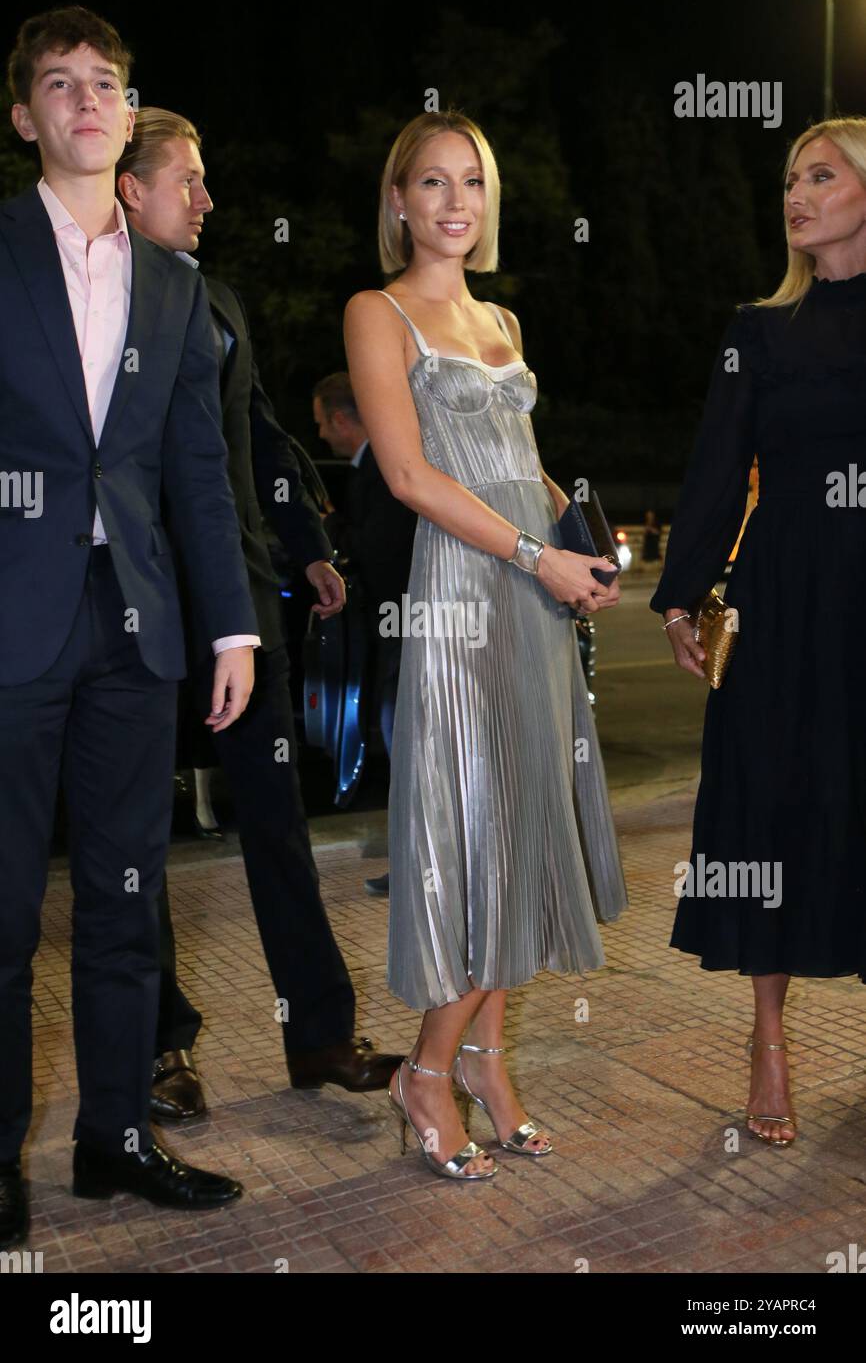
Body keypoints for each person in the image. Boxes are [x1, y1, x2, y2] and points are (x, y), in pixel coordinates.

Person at [0, 8, 258, 1250]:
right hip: (9, 627)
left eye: (104, 82)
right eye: (60, 83)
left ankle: (112, 1138)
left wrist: (233, 632)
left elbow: (196, 472)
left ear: (124, 104)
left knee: (123, 899)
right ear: (26, 117)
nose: (86, 100)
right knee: (1, 911)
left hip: (136, 636)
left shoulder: (175, 280)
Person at [344, 111, 628, 1181]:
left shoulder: (499, 315)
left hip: (534, 594)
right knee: (481, 833)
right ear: (397, 202)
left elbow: (526, 466)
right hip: (464, 598)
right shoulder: (377, 313)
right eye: (431, 183)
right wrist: (531, 555)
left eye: (471, 182)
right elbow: (412, 476)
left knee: (526, 823)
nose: (454, 202)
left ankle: (487, 1062)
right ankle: (425, 1069)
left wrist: (578, 542)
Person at [116, 107, 403, 1121]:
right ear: (128, 189)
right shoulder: (99, 303)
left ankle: (320, 1035)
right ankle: (157, 1049)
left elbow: (266, 435)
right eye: (184, 180)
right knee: (137, 842)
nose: (206, 198)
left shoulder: (216, 296)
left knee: (277, 827)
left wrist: (309, 550)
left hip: (243, 607)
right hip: (144, 614)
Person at [652, 116, 866, 1147]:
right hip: (781, 593)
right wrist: (679, 594)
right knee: (771, 808)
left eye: (819, 175)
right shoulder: (756, 330)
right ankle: (767, 1041)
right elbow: (711, 467)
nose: (796, 194)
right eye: (789, 178)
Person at [313, 372, 418, 896]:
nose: (321, 437)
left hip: (406, 632)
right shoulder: (382, 463)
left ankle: (420, 870)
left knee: (409, 750)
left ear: (340, 418)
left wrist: (330, 528)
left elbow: (379, 551)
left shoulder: (380, 468)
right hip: (404, 629)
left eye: (321, 424)